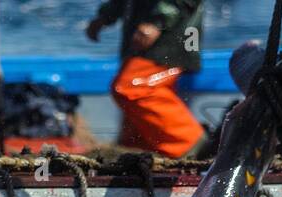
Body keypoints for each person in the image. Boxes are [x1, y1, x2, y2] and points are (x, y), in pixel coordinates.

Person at [87, 0, 207, 157]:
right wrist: (105, 17)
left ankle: (189, 141)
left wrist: (157, 22)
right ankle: (141, 155)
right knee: (138, 109)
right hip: (141, 40)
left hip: (169, 38)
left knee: (132, 87)